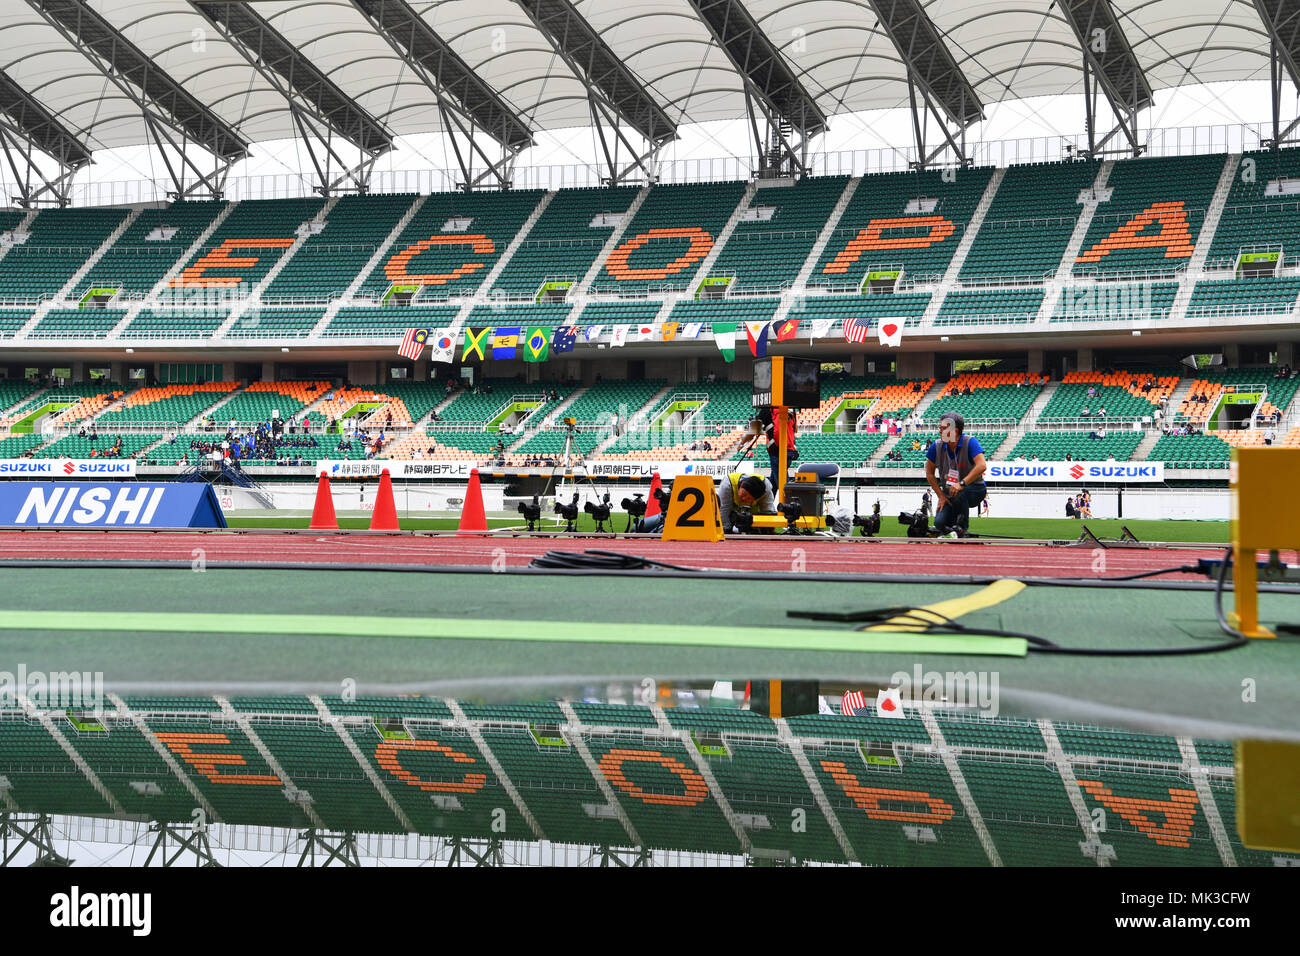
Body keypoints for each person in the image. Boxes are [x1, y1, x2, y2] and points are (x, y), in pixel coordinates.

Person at [925, 412, 987, 537]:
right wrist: (941, 496)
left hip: (975, 489)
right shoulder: (936, 446)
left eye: (943, 428)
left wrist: (962, 483)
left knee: (960, 492)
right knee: (939, 523)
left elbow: (982, 465)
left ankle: (963, 530)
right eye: (940, 428)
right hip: (950, 493)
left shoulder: (970, 442)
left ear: (955, 431)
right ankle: (953, 530)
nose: (939, 431)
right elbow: (929, 473)